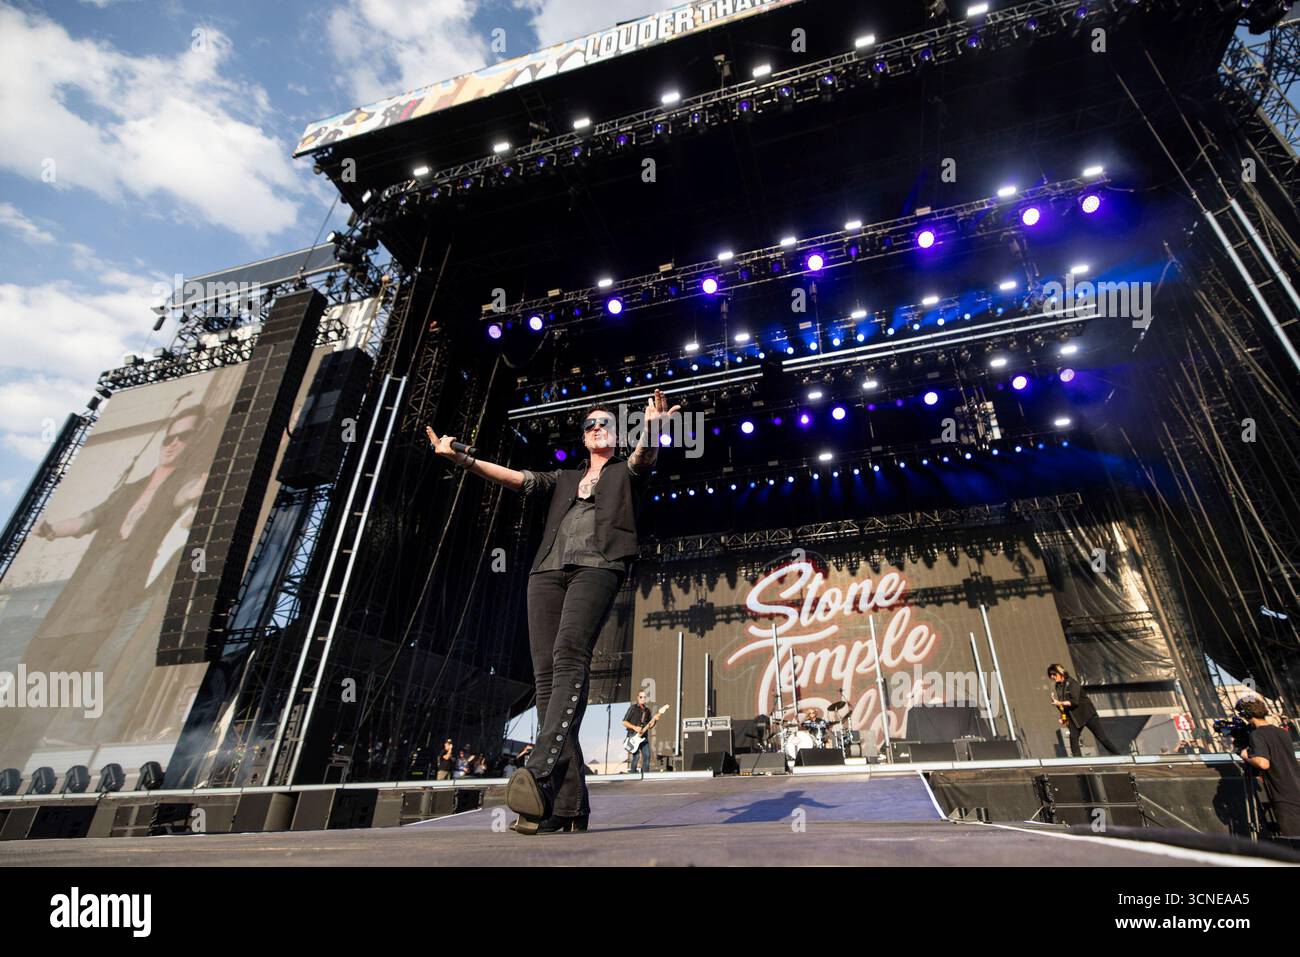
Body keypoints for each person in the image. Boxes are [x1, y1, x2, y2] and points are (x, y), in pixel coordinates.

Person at [427, 389, 679, 835]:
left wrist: (654, 430)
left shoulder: (624, 472)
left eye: (605, 423)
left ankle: (538, 771)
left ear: (617, 435)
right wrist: (461, 459)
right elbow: (515, 478)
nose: (597, 428)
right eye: (590, 425)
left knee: (569, 655)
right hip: (545, 571)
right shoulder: (563, 478)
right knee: (545, 679)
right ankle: (568, 807)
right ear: (583, 438)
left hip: (598, 566)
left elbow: (645, 457)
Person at [1237, 697, 1300, 839]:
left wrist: (1246, 756)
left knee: (1294, 842)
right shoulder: (1282, 732)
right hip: (1297, 786)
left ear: (1246, 715)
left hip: (1284, 795)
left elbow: (1263, 763)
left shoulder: (1257, 735)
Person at [1047, 664, 1121, 757]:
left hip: (1087, 715)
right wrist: (1063, 716)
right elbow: (1062, 704)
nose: (1052, 677)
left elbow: (1074, 702)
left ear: (1060, 673)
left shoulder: (1072, 683)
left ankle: (1119, 756)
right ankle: (1078, 762)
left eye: (1054, 674)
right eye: (1051, 676)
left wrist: (1059, 703)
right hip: (1074, 717)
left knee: (1102, 738)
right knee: (1073, 739)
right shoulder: (1058, 686)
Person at [622, 690, 659, 773]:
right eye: (641, 697)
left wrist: (655, 720)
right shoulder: (633, 708)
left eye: (644, 697)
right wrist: (635, 728)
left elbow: (650, 726)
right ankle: (633, 774)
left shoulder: (647, 711)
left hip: (643, 737)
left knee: (647, 756)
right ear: (638, 698)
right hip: (633, 735)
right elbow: (624, 722)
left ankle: (645, 775)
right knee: (636, 756)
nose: (643, 698)